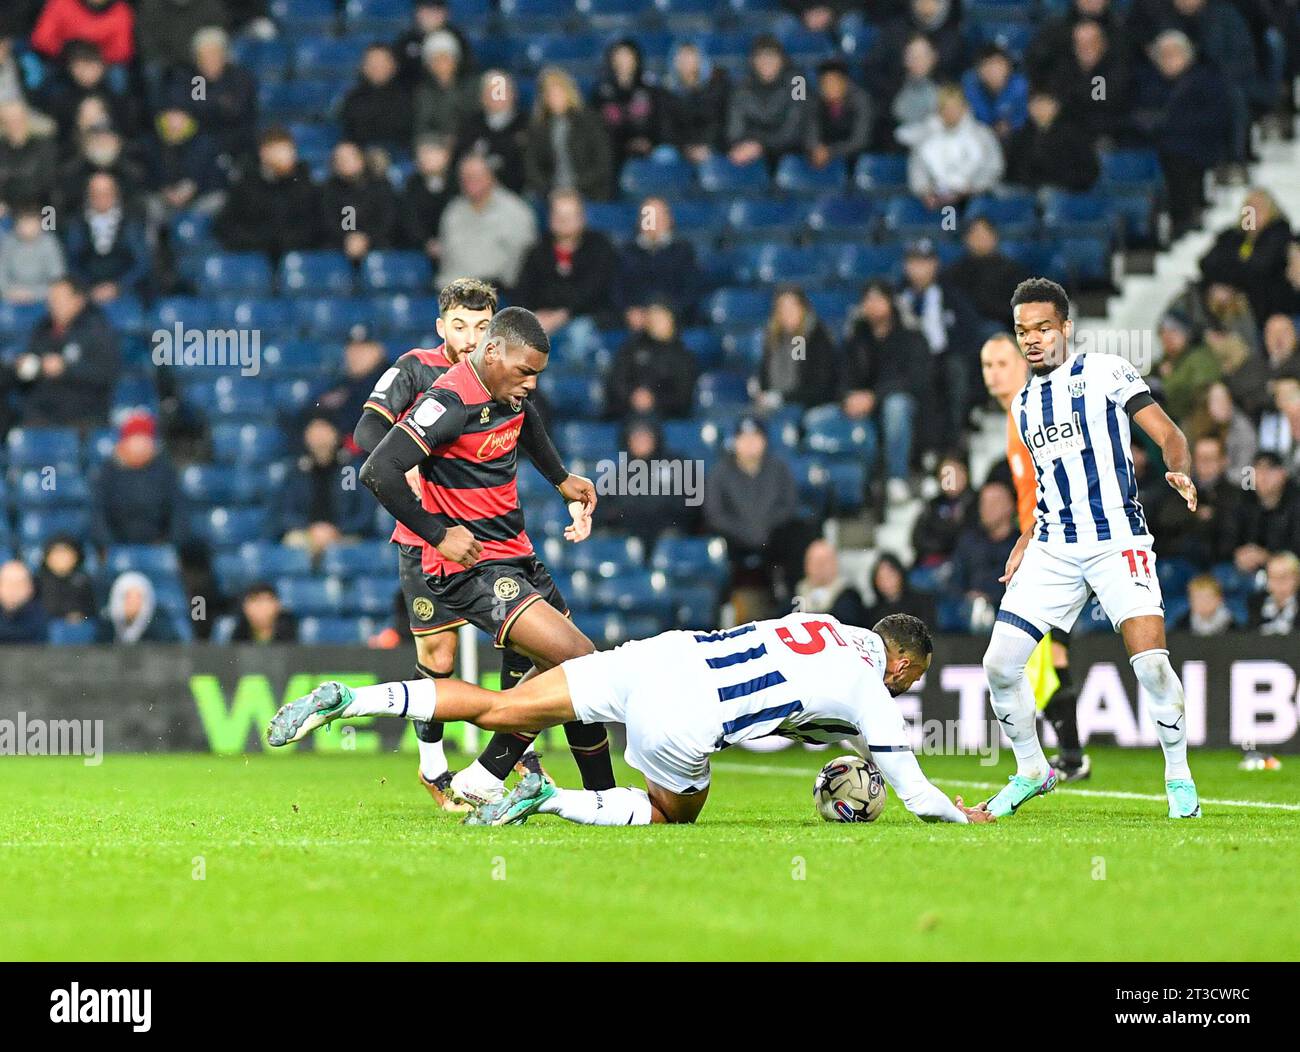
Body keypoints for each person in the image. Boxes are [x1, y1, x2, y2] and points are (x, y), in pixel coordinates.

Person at [269, 612, 994, 827]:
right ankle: (544, 796)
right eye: (913, 679)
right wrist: (966, 816)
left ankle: (349, 699)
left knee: (501, 708)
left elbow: (794, 706)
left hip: (656, 657)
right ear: (900, 665)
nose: (904, 690)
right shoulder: (869, 687)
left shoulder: (823, 621)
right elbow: (918, 794)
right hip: (688, 714)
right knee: (670, 814)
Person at [356, 306, 616, 808]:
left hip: (517, 556)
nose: (532, 385)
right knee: (581, 662)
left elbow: (528, 422)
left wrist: (562, 479)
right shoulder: (450, 400)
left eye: (538, 374)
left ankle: (602, 797)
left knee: (570, 676)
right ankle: (487, 774)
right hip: (471, 569)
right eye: (525, 372)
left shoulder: (508, 393)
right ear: (491, 352)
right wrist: (436, 534)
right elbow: (378, 469)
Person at [979, 277, 1202, 819]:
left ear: (1065, 330)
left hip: (1117, 540)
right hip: (1054, 547)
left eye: (1042, 329)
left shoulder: (1104, 371)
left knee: (1150, 664)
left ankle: (1178, 779)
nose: (1031, 340)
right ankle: (1033, 770)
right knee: (999, 666)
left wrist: (1178, 469)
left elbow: (1170, 433)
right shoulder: (1024, 405)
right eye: (1022, 331)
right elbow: (1047, 489)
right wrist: (1024, 539)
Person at [980, 331, 1088, 780]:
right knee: (1052, 654)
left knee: (1037, 659)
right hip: (1047, 540)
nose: (993, 372)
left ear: (1023, 364)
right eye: (987, 365)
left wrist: (1036, 536)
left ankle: (1058, 759)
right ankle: (1070, 756)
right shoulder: (1015, 412)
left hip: (1056, 540)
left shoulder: (1033, 409)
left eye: (1002, 362)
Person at [703, 415, 805, 618]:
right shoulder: (719, 472)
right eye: (744, 438)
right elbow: (715, 514)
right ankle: (721, 611)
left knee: (796, 536)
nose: (750, 444)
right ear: (735, 442)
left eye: (755, 437)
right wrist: (747, 532)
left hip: (773, 538)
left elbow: (789, 505)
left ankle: (789, 606)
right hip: (734, 541)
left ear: (765, 440)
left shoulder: (779, 468)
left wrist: (764, 529)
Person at [840, 279, 929, 503]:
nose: (873, 305)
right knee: (818, 419)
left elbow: (916, 380)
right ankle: (859, 486)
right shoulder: (855, 338)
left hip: (905, 407)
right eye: (868, 300)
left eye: (878, 299)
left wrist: (874, 397)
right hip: (862, 407)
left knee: (895, 406)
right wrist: (846, 398)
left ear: (891, 303)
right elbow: (840, 377)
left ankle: (896, 478)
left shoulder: (910, 335)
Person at [12, 277, 120, 428]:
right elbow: (30, 364)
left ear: (78, 300)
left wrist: (66, 369)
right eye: (51, 300)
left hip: (84, 415)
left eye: (59, 299)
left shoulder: (97, 330)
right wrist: (23, 367)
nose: (53, 305)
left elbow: (106, 373)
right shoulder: (42, 328)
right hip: (42, 413)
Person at [512, 188, 619, 333]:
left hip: (587, 317)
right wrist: (532, 315)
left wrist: (561, 315)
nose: (563, 221)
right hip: (542, 317)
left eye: (570, 216)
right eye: (558, 215)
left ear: (582, 218)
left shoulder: (600, 247)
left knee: (578, 333)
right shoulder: (537, 251)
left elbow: (593, 291)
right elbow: (523, 291)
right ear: (550, 218)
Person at [215, 126, 319, 260]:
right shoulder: (247, 184)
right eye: (281, 151)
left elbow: (314, 225)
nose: (287, 157)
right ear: (264, 152)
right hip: (254, 258)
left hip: (299, 256)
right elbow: (226, 225)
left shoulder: (304, 183)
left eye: (290, 151)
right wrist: (261, 242)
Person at [274, 415, 371, 557]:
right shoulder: (296, 471)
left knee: (352, 546)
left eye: (324, 430)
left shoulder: (349, 470)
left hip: (344, 535)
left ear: (336, 433)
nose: (320, 437)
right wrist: (311, 530)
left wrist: (337, 530)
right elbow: (284, 512)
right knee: (294, 542)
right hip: (306, 534)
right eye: (314, 431)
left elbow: (363, 513)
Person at [436, 153, 536, 290]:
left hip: (495, 292)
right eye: (465, 177)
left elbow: (523, 259)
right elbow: (446, 258)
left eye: (476, 176)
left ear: (491, 177)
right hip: (451, 291)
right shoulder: (453, 211)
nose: (470, 181)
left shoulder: (516, 212)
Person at [1199, 189, 1294, 329]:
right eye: (1249, 207)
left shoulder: (1280, 235)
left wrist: (1229, 277)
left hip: (1269, 310)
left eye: (1259, 207)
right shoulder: (1231, 236)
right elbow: (1206, 263)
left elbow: (1259, 267)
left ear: (1272, 211)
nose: (1253, 212)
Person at [91, 410, 183, 548]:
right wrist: (108, 545)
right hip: (117, 545)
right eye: (135, 438)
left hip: (158, 545)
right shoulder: (108, 471)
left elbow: (178, 510)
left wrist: (170, 543)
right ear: (124, 441)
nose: (140, 444)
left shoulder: (164, 470)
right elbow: (98, 512)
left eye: (145, 438)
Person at [523, 66, 612, 202]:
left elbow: (602, 164)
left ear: (568, 92)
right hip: (550, 193)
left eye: (558, 92)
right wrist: (549, 190)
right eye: (548, 93)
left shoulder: (590, 120)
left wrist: (574, 188)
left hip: (587, 191)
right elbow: (532, 167)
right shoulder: (538, 126)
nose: (553, 97)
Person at [906, 84, 1003, 208]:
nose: (950, 113)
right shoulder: (925, 137)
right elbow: (917, 171)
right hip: (937, 199)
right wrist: (925, 191)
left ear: (964, 108)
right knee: (945, 218)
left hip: (976, 197)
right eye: (945, 108)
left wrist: (973, 187)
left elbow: (994, 167)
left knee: (977, 212)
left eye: (955, 107)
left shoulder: (982, 135)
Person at [63, 170, 151, 302]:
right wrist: (89, 288)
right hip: (86, 293)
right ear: (88, 195)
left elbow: (142, 263)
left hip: (126, 292)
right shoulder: (76, 223)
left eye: (106, 192)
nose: (101, 197)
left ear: (115, 194)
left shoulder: (131, 222)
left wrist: (119, 286)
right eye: (95, 193)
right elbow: (71, 262)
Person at [614, 195, 700, 326]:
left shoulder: (683, 251)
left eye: (659, 217)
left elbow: (690, 291)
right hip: (634, 323)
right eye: (649, 217)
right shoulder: (626, 251)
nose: (654, 222)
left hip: (673, 321)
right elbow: (617, 289)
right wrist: (629, 311)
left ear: (669, 220)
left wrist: (667, 314)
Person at [1154, 434, 1238, 569]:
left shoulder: (1235, 494)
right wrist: (1196, 515)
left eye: (1210, 458)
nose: (1205, 463)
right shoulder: (1178, 488)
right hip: (1180, 559)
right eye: (1201, 458)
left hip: (1221, 562)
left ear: (1223, 461)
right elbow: (1165, 520)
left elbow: (1232, 534)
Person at [604, 300, 697, 420]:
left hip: (666, 418)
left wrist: (654, 400)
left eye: (661, 317)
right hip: (629, 414)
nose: (656, 322)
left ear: (672, 320)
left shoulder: (683, 355)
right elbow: (617, 380)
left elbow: (683, 395)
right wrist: (633, 397)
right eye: (652, 316)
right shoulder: (631, 348)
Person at [726, 35, 807, 167]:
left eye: (772, 56)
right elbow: (734, 133)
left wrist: (760, 145)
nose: (767, 62)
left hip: (792, 158)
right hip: (750, 160)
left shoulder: (798, 82)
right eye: (761, 57)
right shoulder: (740, 87)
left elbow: (796, 130)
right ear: (753, 61)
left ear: (782, 60)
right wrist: (753, 146)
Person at [757, 285, 839, 410]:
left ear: (803, 308)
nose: (787, 312)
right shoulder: (774, 337)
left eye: (792, 306)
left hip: (810, 406)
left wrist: (782, 397)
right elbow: (764, 376)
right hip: (776, 404)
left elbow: (818, 385)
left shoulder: (815, 337)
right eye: (782, 307)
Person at [1003, 87, 1098, 192]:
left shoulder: (1072, 134)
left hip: (1064, 191)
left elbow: (1088, 171)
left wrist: (1063, 184)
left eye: (1045, 103)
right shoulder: (1021, 136)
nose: (1039, 108)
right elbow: (1012, 170)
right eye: (1034, 103)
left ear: (1056, 106)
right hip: (1027, 190)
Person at [318, 141, 397, 262]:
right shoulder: (329, 190)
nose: (345, 162)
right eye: (340, 159)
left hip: (377, 247)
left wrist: (366, 239)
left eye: (350, 157)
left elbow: (387, 221)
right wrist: (347, 239)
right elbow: (328, 222)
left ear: (361, 158)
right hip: (339, 249)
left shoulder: (381, 186)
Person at [943, 218, 1032, 326]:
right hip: (964, 327)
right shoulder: (955, 272)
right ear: (966, 239)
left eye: (984, 233)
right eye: (975, 234)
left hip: (1002, 326)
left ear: (994, 237)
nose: (980, 238)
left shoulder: (1012, 270)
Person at [453, 69, 528, 194]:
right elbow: (460, 162)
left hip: (518, 192)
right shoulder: (471, 124)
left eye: (502, 91)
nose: (498, 96)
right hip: (476, 194)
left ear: (513, 94)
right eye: (493, 92)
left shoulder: (526, 124)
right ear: (483, 97)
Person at [592, 38, 659, 172]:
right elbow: (597, 127)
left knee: (665, 154)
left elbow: (660, 120)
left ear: (636, 59)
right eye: (619, 56)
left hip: (648, 146)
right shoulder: (601, 92)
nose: (623, 61)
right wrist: (624, 144)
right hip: (614, 149)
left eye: (627, 55)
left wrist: (649, 141)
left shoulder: (650, 89)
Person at [1227, 451, 1300, 574]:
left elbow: (1296, 547)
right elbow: (1228, 537)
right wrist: (1238, 553)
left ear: (1283, 474)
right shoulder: (1243, 499)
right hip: (1244, 566)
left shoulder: (1295, 503)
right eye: (1258, 470)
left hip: (1284, 569)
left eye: (1270, 470)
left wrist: (1268, 556)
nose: (1263, 476)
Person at [657, 42, 729, 163]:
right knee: (663, 155)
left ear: (701, 61)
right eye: (682, 58)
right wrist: (686, 148)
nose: (686, 62)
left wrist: (707, 146)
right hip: (680, 148)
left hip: (710, 146)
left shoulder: (716, 89)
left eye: (690, 57)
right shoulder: (666, 92)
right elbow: (666, 129)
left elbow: (718, 123)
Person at [339, 44, 412, 152]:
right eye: (372, 62)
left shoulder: (408, 96)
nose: (377, 67)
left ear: (393, 65)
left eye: (381, 62)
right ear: (363, 67)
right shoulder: (352, 98)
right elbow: (350, 133)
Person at [805, 58, 872, 168]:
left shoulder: (861, 100)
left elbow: (861, 140)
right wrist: (815, 147)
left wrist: (831, 151)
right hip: (823, 157)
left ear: (845, 82)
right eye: (825, 83)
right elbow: (811, 131)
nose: (829, 87)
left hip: (855, 158)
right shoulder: (816, 100)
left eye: (834, 82)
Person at [1154, 310, 1219, 425]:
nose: (1167, 338)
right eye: (1163, 333)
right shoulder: (1163, 364)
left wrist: (1167, 380)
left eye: (1173, 332)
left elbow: (1199, 393)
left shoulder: (1199, 357)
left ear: (1186, 332)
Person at [412, 29, 478, 142]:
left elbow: (476, 120)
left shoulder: (471, 88)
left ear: (456, 61)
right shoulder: (422, 92)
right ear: (428, 64)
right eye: (436, 59)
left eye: (446, 58)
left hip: (466, 142)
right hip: (434, 147)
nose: (442, 64)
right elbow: (421, 126)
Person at [0, 201, 66, 304]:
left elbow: (58, 278)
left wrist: (33, 294)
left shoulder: (50, 243)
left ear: (40, 224)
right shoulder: (8, 242)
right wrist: (8, 292)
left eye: (32, 222)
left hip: (44, 298)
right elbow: (2, 273)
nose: (28, 228)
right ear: (17, 224)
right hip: (11, 297)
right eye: (24, 222)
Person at [794, 538, 869, 625]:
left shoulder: (848, 596)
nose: (819, 567)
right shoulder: (795, 595)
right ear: (806, 565)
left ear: (835, 563)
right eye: (815, 561)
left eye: (824, 562)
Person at [105, 571, 180, 644]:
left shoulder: (163, 634)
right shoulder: (104, 631)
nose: (132, 603)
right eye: (127, 597)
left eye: (138, 597)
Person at [863, 552, 935, 626]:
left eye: (890, 575)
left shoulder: (923, 602)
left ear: (900, 574)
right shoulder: (872, 613)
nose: (886, 582)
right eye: (881, 578)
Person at [37, 535, 96, 624]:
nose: (61, 558)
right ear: (47, 558)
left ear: (75, 557)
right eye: (56, 553)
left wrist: (82, 617)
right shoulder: (38, 582)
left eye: (65, 553)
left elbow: (93, 614)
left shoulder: (84, 582)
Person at [1248, 552, 1300, 635]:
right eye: (1273, 577)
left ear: (1297, 578)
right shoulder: (1255, 603)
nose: (1278, 582)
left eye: (1284, 576)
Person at [230, 582, 298, 643]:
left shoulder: (289, 629)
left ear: (277, 605)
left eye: (265, 601)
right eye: (255, 601)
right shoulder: (239, 631)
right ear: (245, 607)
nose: (261, 608)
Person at [0, 559, 49, 645]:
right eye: (8, 583)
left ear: (30, 588)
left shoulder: (43, 615)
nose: (13, 589)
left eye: (19, 584)